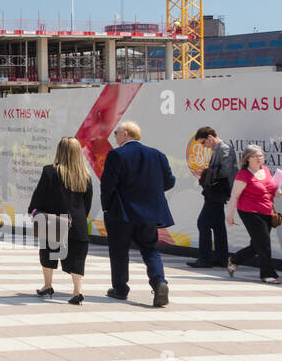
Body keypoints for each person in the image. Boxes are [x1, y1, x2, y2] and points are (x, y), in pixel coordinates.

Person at [99, 121, 175, 307]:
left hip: (122, 212)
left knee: (119, 251)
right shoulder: (157, 155)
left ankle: (120, 288)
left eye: (116, 133)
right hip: (148, 214)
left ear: (126, 133)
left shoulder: (116, 155)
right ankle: (159, 282)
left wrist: (106, 207)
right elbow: (169, 181)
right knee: (150, 249)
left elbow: (108, 185)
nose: (114, 137)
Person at [28, 137, 93, 304]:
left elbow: (39, 195)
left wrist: (34, 210)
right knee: (78, 258)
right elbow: (87, 203)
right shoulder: (85, 175)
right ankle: (77, 291)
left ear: (60, 151)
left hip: (54, 222)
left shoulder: (50, 171)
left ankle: (47, 285)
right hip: (77, 223)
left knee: (48, 252)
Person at [227, 145, 281, 283]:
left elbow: (271, 188)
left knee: (257, 245)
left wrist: (277, 192)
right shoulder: (243, 175)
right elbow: (234, 196)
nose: (259, 158)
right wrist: (230, 215)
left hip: (267, 211)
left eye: (261, 155)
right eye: (255, 156)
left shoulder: (266, 170)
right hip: (249, 212)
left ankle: (234, 259)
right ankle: (267, 274)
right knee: (264, 244)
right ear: (247, 158)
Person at [188, 126, 238, 268]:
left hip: (218, 192)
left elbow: (226, 171)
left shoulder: (224, 149)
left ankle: (205, 258)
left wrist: (205, 172)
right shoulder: (218, 149)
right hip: (216, 192)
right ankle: (221, 258)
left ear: (210, 137)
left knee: (202, 223)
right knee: (217, 226)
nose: (204, 146)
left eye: (204, 142)